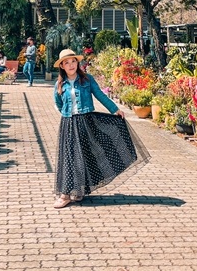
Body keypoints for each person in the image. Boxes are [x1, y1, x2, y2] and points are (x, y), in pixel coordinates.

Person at [51, 48, 148, 209]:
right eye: (66, 63)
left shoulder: (87, 79)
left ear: (77, 62)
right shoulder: (60, 84)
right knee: (68, 157)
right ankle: (65, 195)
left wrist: (114, 109)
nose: (71, 65)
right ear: (61, 66)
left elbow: (100, 95)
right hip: (68, 124)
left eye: (73, 61)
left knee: (84, 156)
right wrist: (67, 113)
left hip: (86, 121)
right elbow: (58, 103)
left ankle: (79, 190)